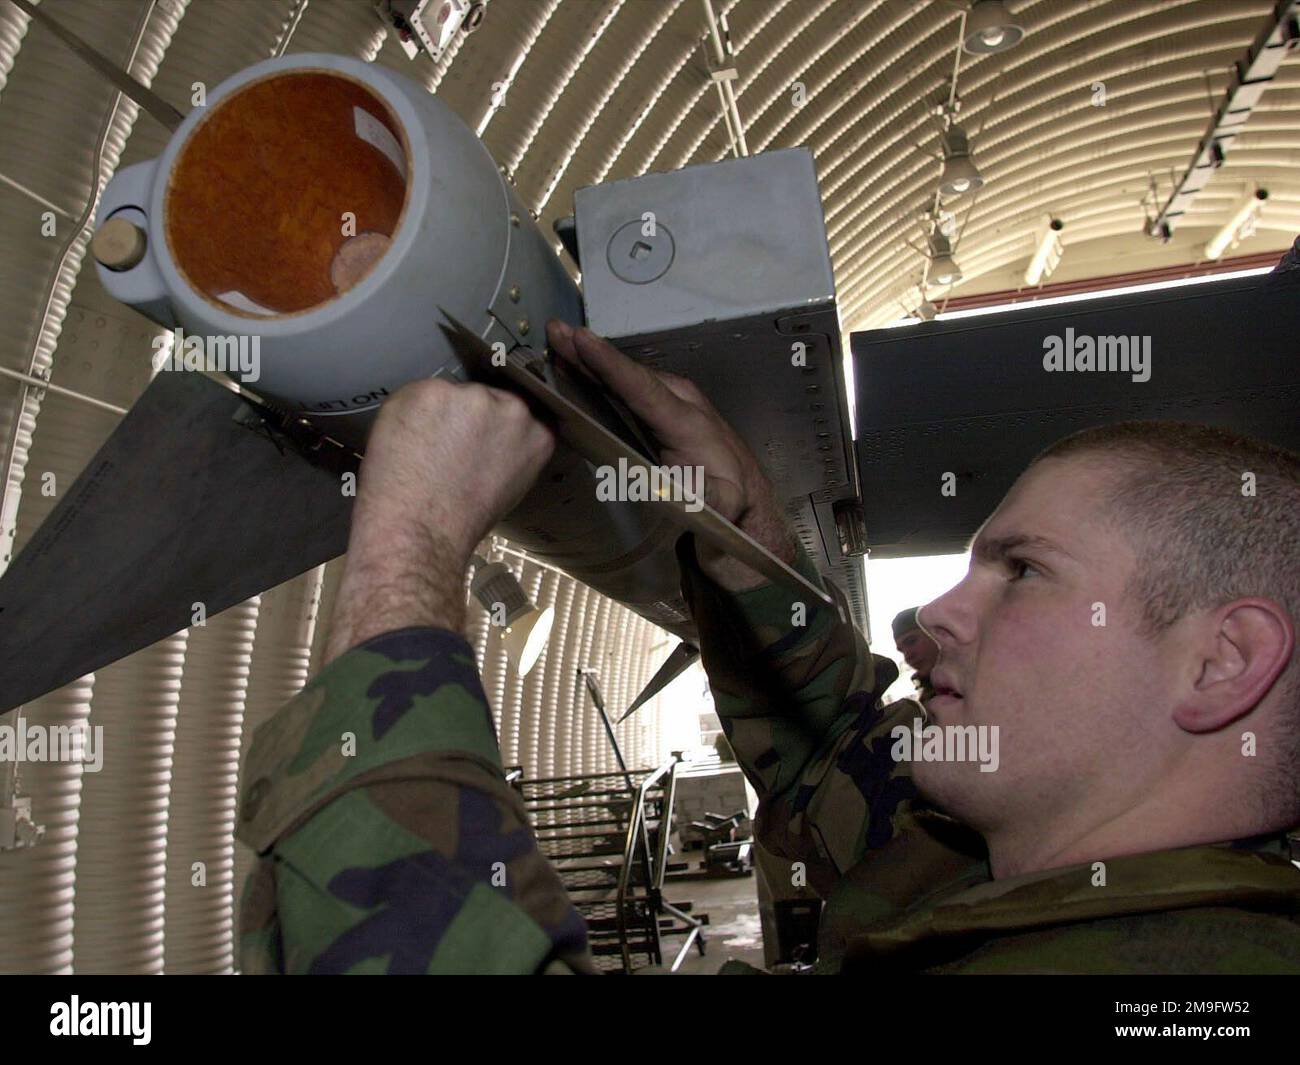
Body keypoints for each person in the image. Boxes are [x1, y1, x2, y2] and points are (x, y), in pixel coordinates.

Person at [236, 321, 1300, 974]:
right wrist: (738, 531)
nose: (925, 619)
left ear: (1221, 663)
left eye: (1021, 571)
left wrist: (405, 558)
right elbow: (835, 752)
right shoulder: (984, 858)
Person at [892, 606, 939, 705]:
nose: (907, 656)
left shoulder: (976, 685)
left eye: (911, 641)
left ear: (938, 634)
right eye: (901, 651)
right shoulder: (926, 699)